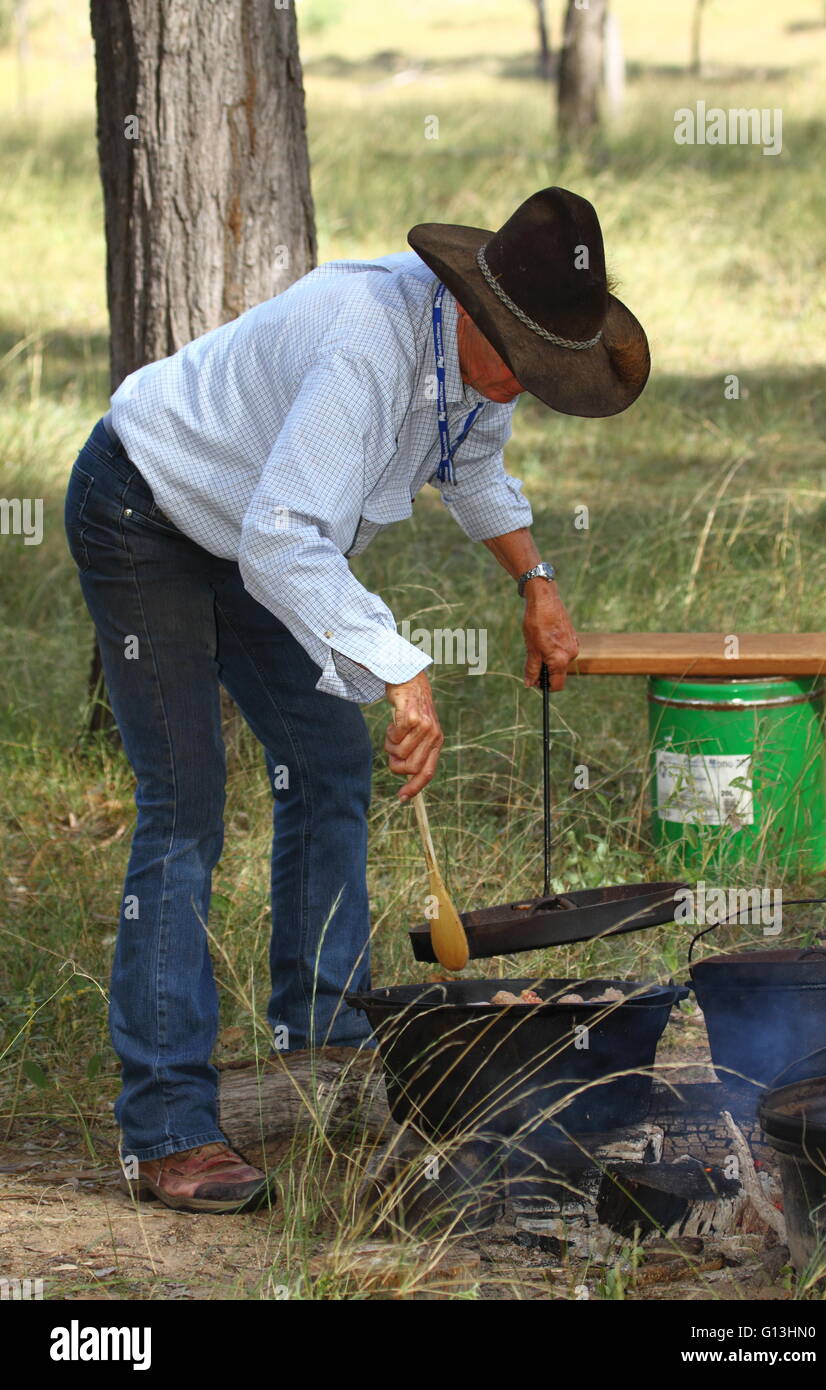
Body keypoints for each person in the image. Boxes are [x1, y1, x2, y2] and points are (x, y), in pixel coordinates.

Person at [64, 186, 650, 1213]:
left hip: (259, 535)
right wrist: (397, 664)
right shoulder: (364, 343)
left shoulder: (477, 364)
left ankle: (324, 1050)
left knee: (328, 767)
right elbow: (285, 540)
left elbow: (468, 468)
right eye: (525, 361)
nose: (527, 386)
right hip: (148, 508)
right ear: (477, 310)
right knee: (186, 807)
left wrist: (534, 579)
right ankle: (166, 1130)